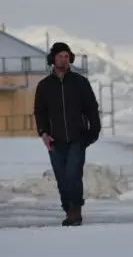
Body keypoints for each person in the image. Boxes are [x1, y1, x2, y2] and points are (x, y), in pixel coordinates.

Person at [34, 42, 101, 226]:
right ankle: (68, 207)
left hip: (78, 138)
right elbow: (39, 112)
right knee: (62, 178)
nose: (63, 59)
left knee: (73, 174)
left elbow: (92, 109)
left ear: (70, 58)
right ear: (53, 59)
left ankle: (75, 211)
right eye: (60, 56)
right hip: (55, 140)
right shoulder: (44, 86)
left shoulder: (80, 83)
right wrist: (44, 133)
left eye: (66, 56)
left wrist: (93, 132)